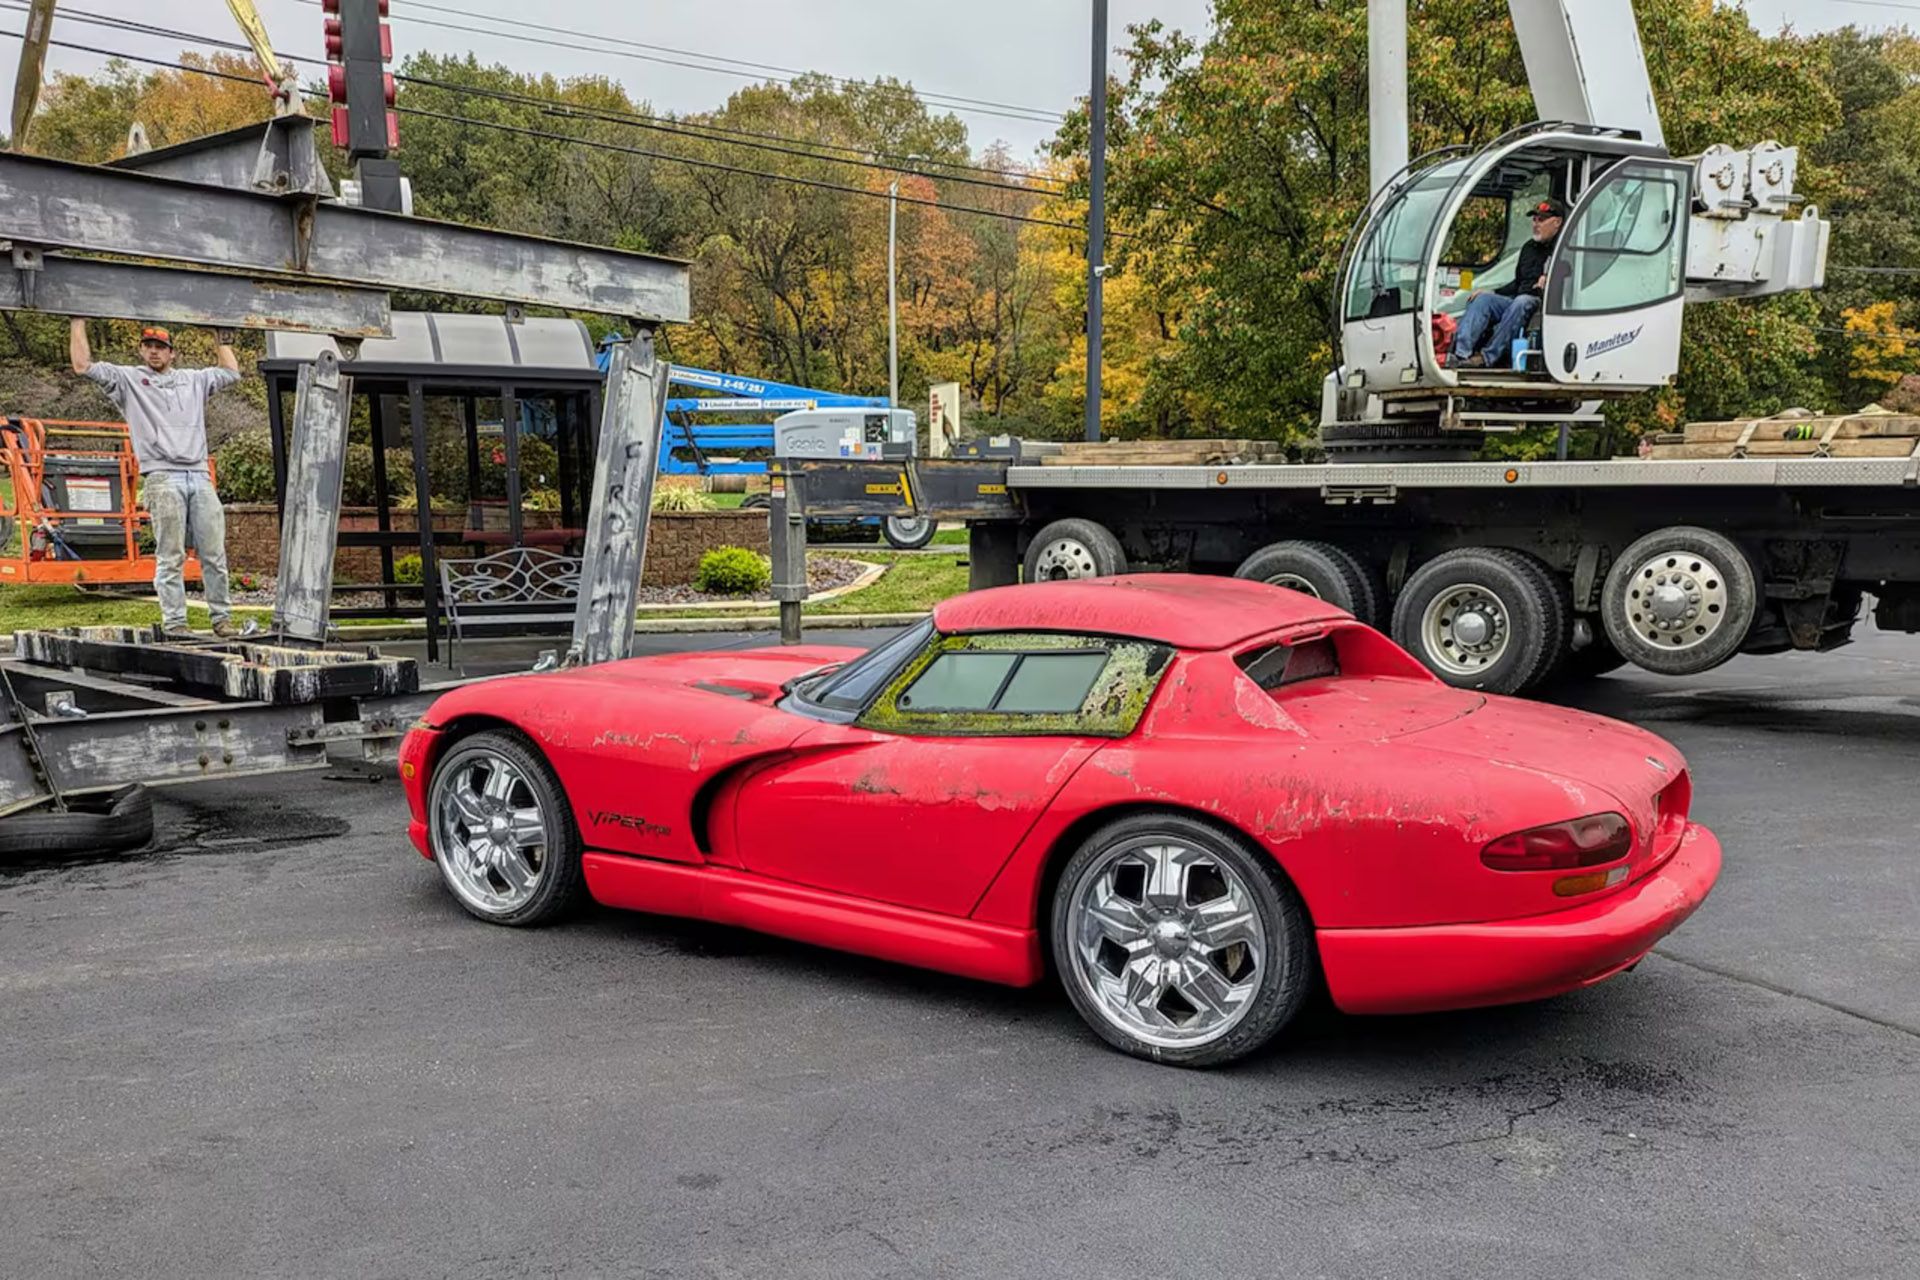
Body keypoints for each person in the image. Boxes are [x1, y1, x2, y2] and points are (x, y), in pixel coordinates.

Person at [69, 319, 242, 639]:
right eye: (148, 346)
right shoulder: (129, 379)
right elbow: (82, 366)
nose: (154, 351)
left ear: (172, 353)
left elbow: (231, 373)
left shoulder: (193, 380)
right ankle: (176, 624)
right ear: (140, 350)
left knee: (214, 554)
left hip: (199, 476)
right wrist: (78, 321)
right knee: (170, 555)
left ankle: (222, 620)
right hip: (162, 477)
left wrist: (222, 338)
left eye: (160, 347)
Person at [1448, 196, 1566, 369]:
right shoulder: (1529, 248)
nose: (1536, 224)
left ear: (1557, 222)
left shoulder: (1565, 248)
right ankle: (1459, 354)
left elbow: (1574, 276)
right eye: (1534, 219)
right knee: (1482, 300)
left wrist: (1552, 279)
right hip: (1518, 297)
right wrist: (1492, 292)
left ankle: (1487, 357)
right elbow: (1517, 282)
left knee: (1522, 301)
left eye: (1541, 220)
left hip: (1541, 303)